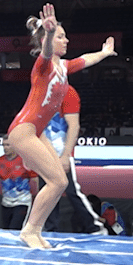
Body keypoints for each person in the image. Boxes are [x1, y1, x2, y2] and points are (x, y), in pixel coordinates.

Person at [4, 2, 117, 249]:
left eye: (65, 36)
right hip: (23, 131)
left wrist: (104, 52)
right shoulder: (42, 67)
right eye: (61, 37)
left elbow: (85, 59)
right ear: (47, 39)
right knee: (57, 181)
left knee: (60, 182)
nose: (66, 41)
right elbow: (46, 53)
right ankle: (29, 231)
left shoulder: (63, 68)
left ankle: (34, 230)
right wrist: (48, 33)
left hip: (37, 132)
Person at [42, 86, 105, 234]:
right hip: (44, 154)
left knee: (71, 191)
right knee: (46, 192)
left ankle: (94, 226)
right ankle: (50, 229)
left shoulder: (68, 93)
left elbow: (74, 126)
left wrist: (66, 155)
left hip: (60, 152)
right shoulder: (41, 91)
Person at [0, 136, 37, 230]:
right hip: (6, 203)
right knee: (7, 230)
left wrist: (37, 200)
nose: (5, 148)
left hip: (23, 202)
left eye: (8, 145)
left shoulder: (25, 160)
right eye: (3, 145)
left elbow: (35, 180)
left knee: (15, 229)